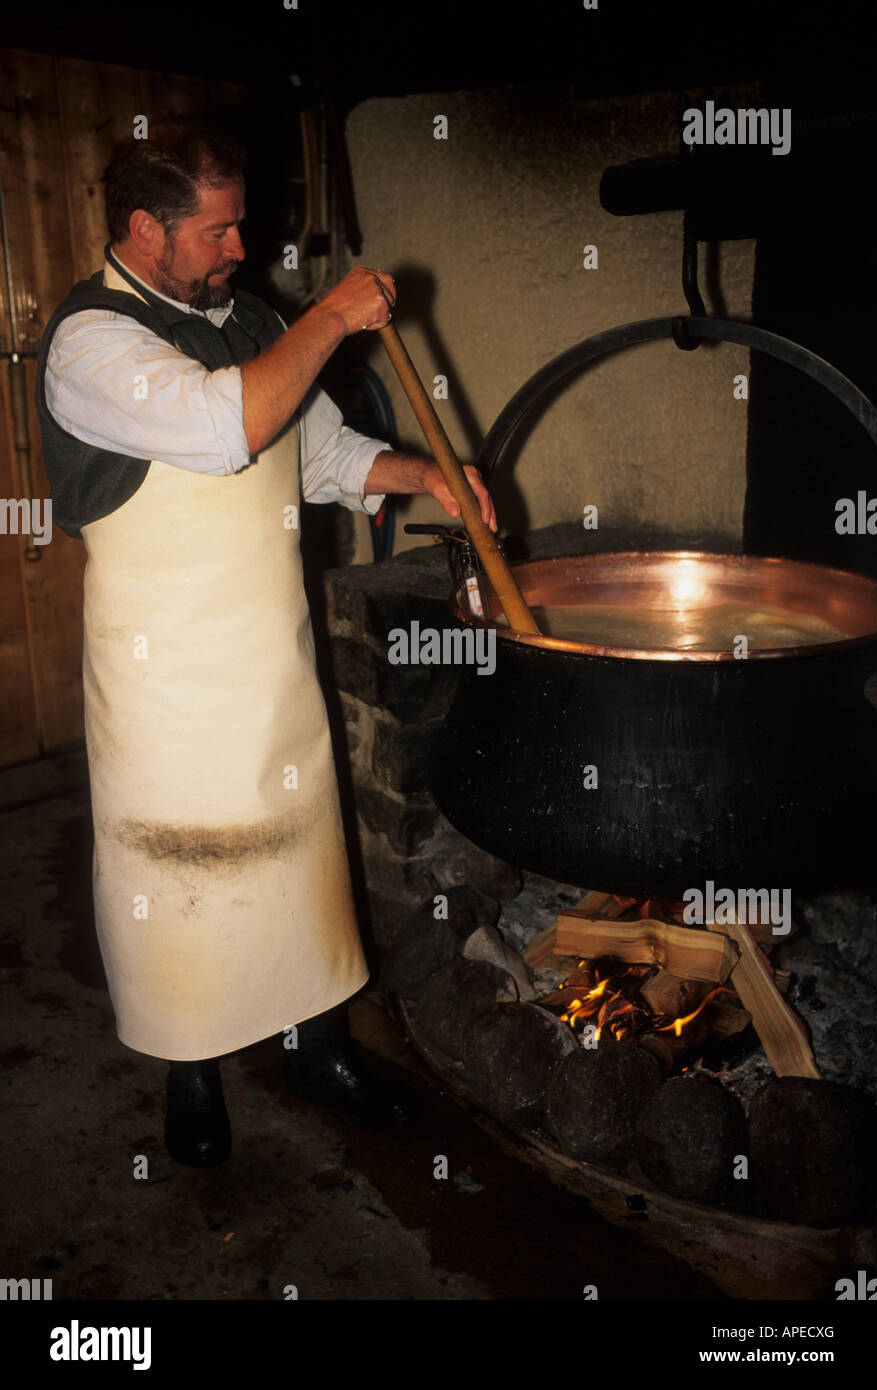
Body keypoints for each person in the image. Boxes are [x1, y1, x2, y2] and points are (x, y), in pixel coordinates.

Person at [35, 121, 496, 1167]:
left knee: (296, 866)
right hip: (165, 680)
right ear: (144, 229)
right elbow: (225, 426)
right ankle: (189, 1073)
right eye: (218, 228)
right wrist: (334, 315)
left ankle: (317, 1048)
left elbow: (321, 450)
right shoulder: (91, 340)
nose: (241, 246)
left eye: (240, 223)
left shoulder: (247, 320)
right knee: (181, 876)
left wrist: (426, 476)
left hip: (269, 664)